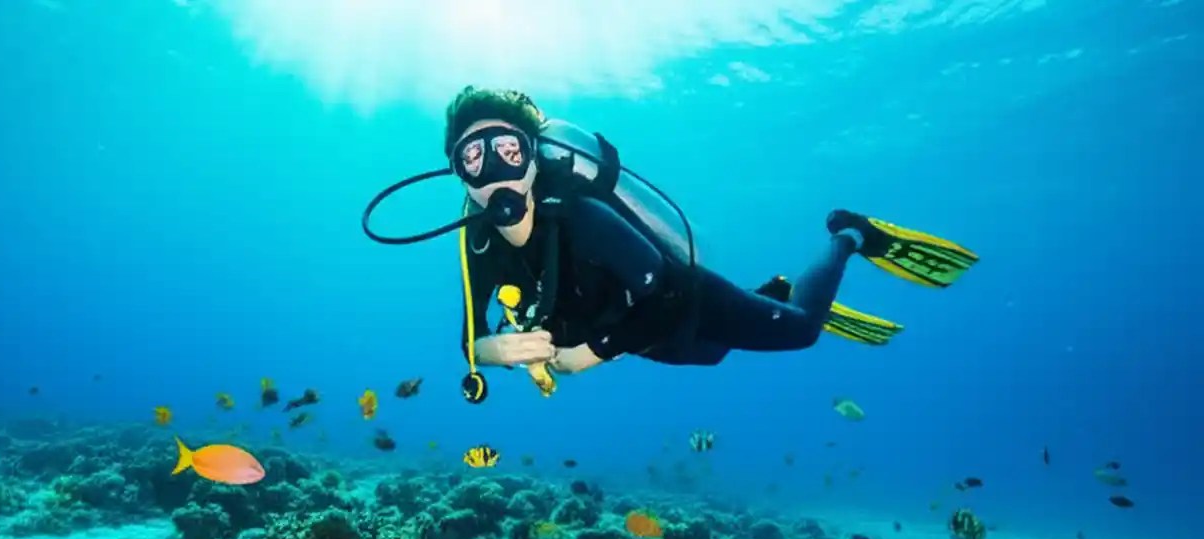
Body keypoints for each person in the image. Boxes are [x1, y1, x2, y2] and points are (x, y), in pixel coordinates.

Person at [362, 87, 979, 403]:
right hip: (638, 331)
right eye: (474, 157)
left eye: (508, 149)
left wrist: (596, 351)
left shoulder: (577, 214)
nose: (494, 169)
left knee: (799, 332)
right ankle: (770, 295)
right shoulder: (474, 240)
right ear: (459, 177)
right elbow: (470, 332)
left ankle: (849, 236)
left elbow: (662, 291)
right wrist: (489, 352)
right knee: (710, 356)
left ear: (531, 160)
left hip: (672, 298)